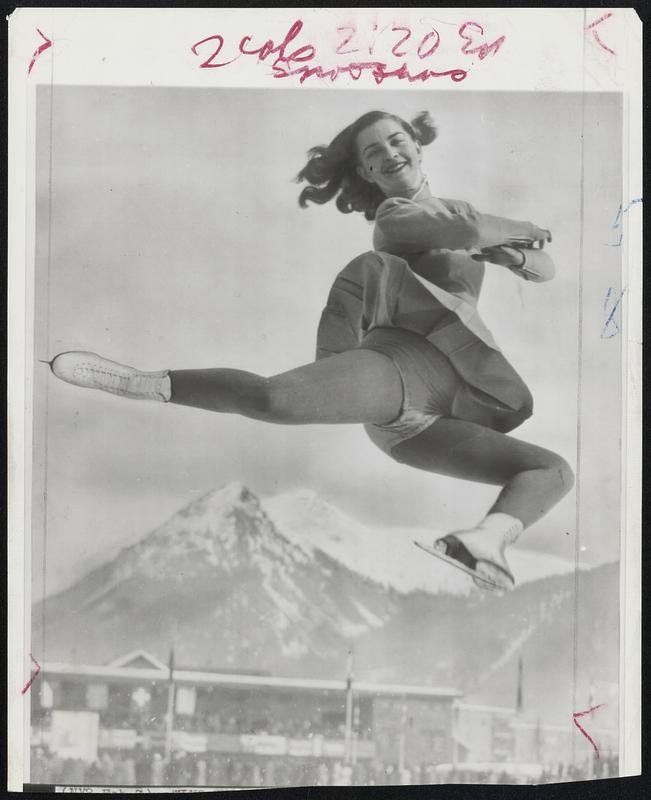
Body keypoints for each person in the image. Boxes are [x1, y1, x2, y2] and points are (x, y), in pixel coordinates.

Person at [46, 110, 573, 591]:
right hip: (400, 365)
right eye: (374, 153)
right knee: (274, 400)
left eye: (397, 141)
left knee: (551, 471)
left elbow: (542, 267)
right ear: (367, 172)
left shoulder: (457, 214)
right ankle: (143, 382)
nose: (390, 154)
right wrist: (519, 232)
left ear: (417, 144)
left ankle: (484, 542)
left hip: (443, 406)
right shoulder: (395, 217)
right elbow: (473, 229)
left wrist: (514, 255)